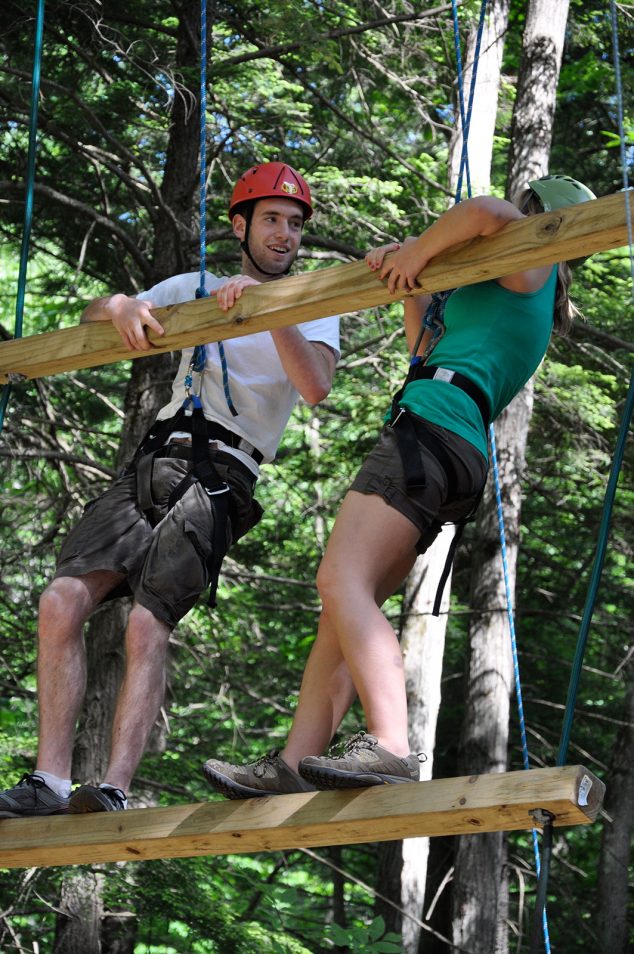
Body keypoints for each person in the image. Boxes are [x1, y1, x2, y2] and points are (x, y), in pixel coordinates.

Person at [201, 174, 596, 798]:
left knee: (338, 580)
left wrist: (418, 250)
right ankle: (293, 765)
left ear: (541, 218)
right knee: (343, 611)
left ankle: (389, 742)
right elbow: (422, 348)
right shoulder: (517, 293)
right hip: (449, 439)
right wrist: (414, 280)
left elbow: (486, 211)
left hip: (431, 430)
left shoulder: (532, 264)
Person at [0, 161, 340, 817]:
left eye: (295, 224)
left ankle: (114, 788)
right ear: (240, 226)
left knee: (145, 621)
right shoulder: (197, 285)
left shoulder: (318, 298)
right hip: (154, 459)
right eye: (272, 220)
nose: (285, 234)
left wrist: (268, 310)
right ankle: (48, 781)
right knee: (60, 600)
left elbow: (316, 385)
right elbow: (99, 313)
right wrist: (120, 306)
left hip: (224, 473)